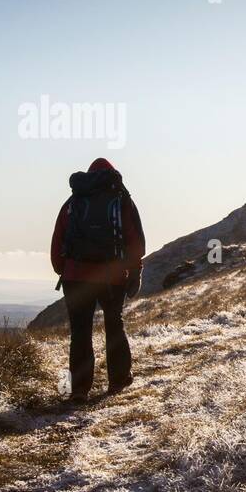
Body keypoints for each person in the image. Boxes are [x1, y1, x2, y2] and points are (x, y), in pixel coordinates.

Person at [50, 157, 146, 403]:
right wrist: (134, 273)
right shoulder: (121, 200)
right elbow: (136, 243)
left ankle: (80, 390)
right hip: (111, 278)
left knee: (80, 332)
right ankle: (118, 380)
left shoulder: (74, 201)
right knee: (114, 325)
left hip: (75, 277)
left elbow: (58, 239)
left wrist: (65, 269)